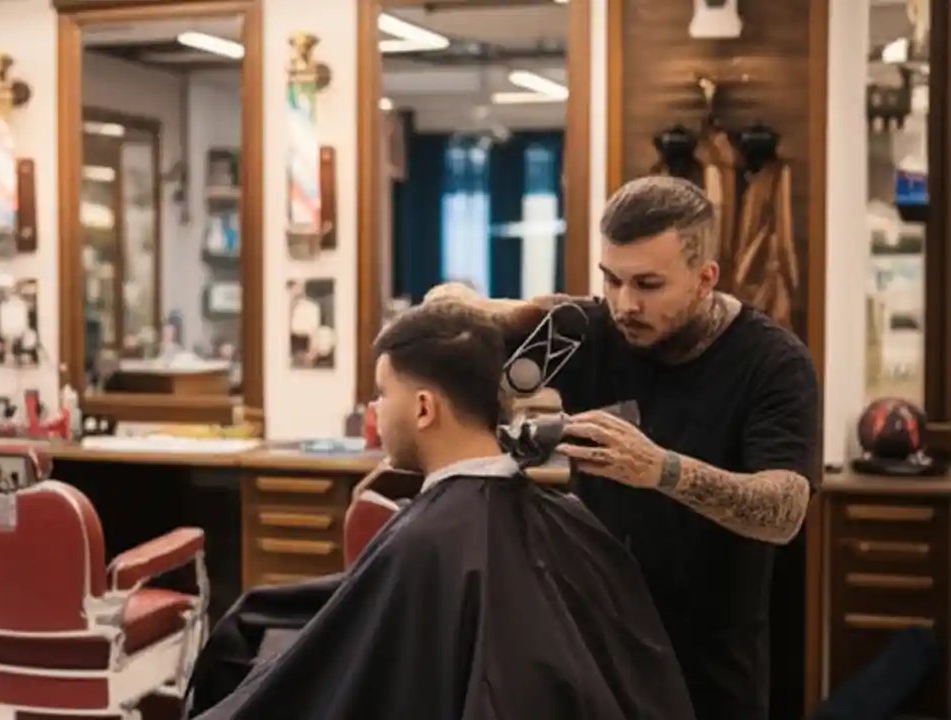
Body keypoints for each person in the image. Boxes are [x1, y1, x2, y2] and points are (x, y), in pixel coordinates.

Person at [429, 175, 818, 720]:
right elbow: (455, 320)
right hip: (597, 652)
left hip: (707, 669)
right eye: (611, 279)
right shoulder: (587, 332)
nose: (624, 304)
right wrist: (478, 309)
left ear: (705, 278)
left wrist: (662, 470)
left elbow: (785, 510)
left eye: (648, 284)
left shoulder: (772, 365)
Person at [192, 300, 694, 720]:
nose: (375, 409)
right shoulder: (569, 522)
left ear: (424, 408)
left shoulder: (426, 541)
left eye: (382, 393)